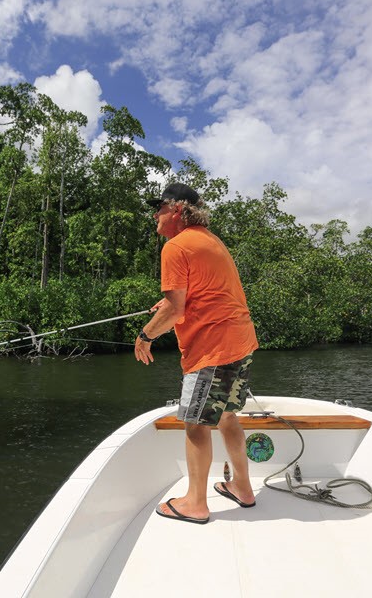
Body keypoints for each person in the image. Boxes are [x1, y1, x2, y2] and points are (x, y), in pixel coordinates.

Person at [134, 182, 259, 524]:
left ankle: (195, 504)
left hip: (212, 349)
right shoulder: (211, 240)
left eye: (158, 207)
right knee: (227, 417)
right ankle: (243, 489)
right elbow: (204, 292)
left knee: (194, 423)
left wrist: (145, 336)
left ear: (176, 210)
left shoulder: (176, 246)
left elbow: (175, 311)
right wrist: (172, 303)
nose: (154, 214)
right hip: (240, 342)